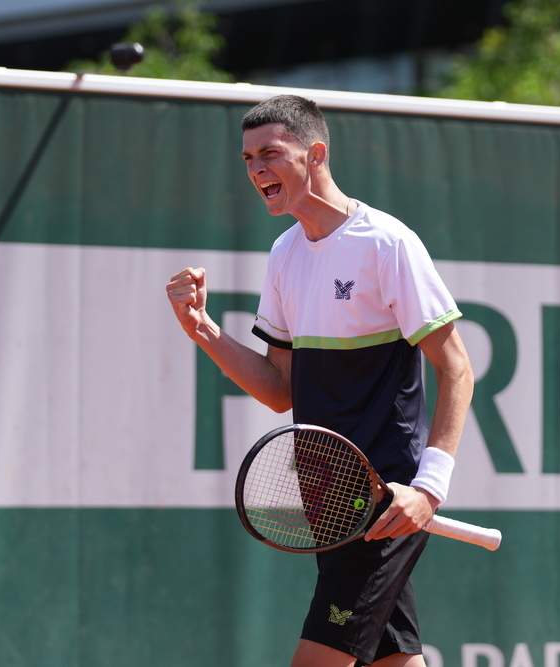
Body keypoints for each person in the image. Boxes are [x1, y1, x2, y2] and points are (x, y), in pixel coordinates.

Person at [167, 94, 473, 667]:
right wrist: (202, 329)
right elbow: (280, 388)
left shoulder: (387, 243)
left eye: (269, 154)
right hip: (328, 500)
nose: (256, 169)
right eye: (248, 159)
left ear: (316, 153)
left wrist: (428, 488)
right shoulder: (285, 254)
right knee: (393, 660)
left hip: (386, 500)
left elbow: (456, 366)